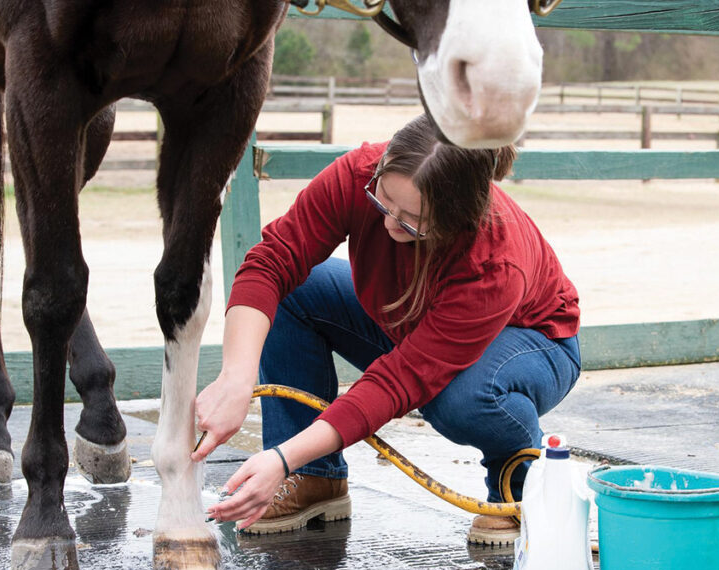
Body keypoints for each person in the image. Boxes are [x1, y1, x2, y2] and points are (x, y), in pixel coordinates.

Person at [192, 114, 581, 545]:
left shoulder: (494, 262)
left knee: (460, 400)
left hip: (534, 343)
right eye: (382, 201)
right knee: (290, 292)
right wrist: (236, 376)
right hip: (409, 321)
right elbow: (273, 260)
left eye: (412, 220)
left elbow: (402, 379)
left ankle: (518, 486)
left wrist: (279, 459)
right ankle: (312, 479)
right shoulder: (362, 171)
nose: (388, 223)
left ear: (455, 219)